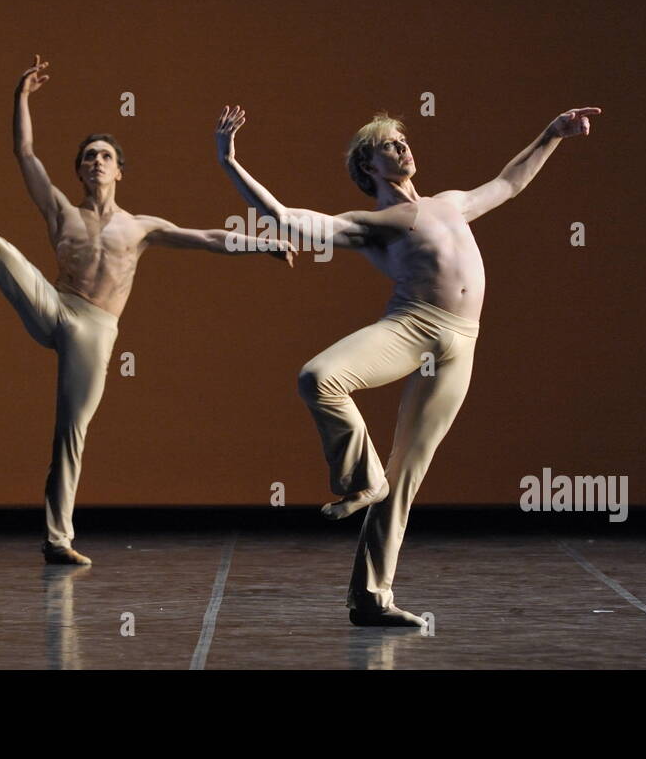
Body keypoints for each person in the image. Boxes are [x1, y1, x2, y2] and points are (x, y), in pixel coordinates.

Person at [0, 58, 293, 565]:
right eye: (87, 157)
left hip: (95, 332)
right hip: (53, 303)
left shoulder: (141, 226)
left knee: (70, 432)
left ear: (119, 170)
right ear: (80, 170)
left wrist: (261, 245)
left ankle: (57, 539)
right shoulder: (62, 209)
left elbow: (210, 238)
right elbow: (24, 153)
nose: (96, 162)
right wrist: (21, 96)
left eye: (104, 156)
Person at [215, 103, 600, 625]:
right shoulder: (370, 224)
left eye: (403, 140)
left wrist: (553, 132)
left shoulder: (450, 203)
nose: (403, 148)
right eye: (389, 145)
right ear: (368, 166)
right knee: (319, 377)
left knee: (408, 475)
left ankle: (372, 599)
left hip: (463, 343)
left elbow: (509, 183)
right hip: (414, 326)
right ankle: (359, 477)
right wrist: (230, 162)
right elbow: (286, 218)